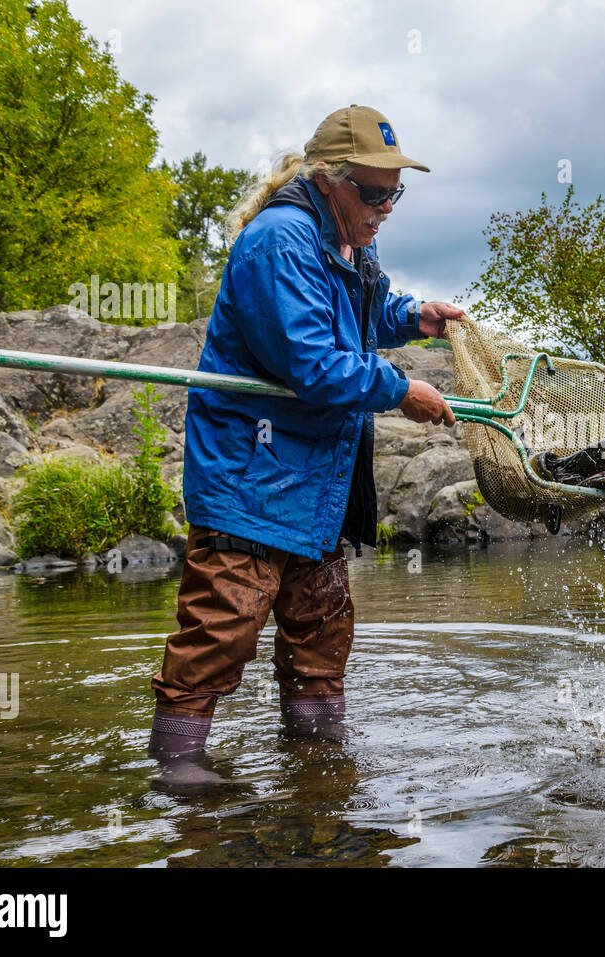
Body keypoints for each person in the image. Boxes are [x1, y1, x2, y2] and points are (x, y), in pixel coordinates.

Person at [148, 106, 460, 763]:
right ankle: (177, 779)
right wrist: (402, 390)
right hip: (250, 483)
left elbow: (363, 311)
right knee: (218, 636)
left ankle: (318, 768)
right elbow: (315, 361)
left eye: (393, 192)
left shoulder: (354, 239)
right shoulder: (280, 241)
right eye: (373, 192)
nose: (386, 207)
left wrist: (416, 318)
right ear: (328, 180)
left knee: (322, 638)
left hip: (314, 492)